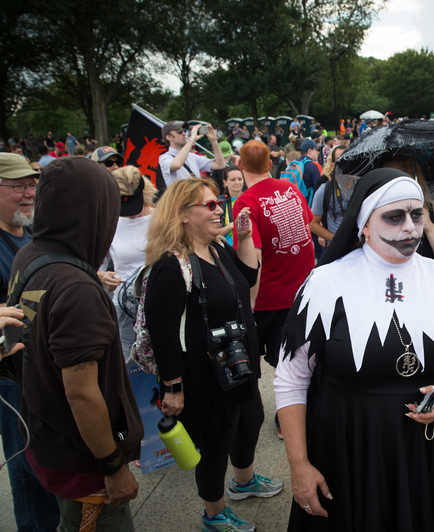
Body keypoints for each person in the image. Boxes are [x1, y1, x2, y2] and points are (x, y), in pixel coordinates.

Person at [274, 168, 434, 531]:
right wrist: (299, 465)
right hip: (348, 442)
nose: (410, 227)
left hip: (423, 447)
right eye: (394, 216)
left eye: (416, 214)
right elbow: (290, 378)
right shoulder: (326, 283)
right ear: (364, 225)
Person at [10, 157, 144, 531]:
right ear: (94, 212)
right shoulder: (75, 288)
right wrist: (114, 469)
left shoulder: (31, 254)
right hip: (84, 463)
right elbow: (82, 394)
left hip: (47, 437)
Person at [144, 177, 282, 532]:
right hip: (205, 374)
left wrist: (247, 237)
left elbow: (249, 276)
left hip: (238, 365)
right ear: (182, 214)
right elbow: (162, 336)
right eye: (209, 204)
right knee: (215, 445)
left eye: (217, 201)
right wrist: (173, 387)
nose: (218, 208)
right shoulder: (170, 267)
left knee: (249, 423)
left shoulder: (218, 248)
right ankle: (214, 514)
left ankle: (244, 481)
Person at [232, 141, 315, 440]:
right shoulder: (290, 188)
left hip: (271, 298)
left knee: (283, 362)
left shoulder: (244, 203)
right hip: (303, 289)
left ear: (240, 167)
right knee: (299, 354)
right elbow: (306, 230)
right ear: (270, 163)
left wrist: (249, 305)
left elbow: (254, 257)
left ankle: (289, 418)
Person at [0, 154, 61, 531]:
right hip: (12, 378)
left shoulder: (33, 231)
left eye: (32, 184)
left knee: (52, 465)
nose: (29, 193)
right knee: (28, 472)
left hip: (45, 367)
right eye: (18, 186)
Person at [97, 166, 157, 363]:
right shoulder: (106, 222)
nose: (131, 213)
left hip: (160, 301)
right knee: (129, 363)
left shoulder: (161, 218)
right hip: (124, 308)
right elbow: (95, 263)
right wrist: (102, 276)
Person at [159, 121, 225, 187]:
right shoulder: (164, 158)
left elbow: (220, 165)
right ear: (169, 137)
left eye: (184, 130)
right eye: (179, 131)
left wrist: (213, 141)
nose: (184, 133)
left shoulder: (192, 156)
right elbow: (176, 165)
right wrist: (191, 140)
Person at [310, 145, 349, 249]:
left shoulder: (362, 186)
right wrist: (334, 238)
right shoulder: (324, 189)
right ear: (333, 165)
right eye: (341, 160)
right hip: (336, 250)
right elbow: (313, 223)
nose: (346, 162)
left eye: (349, 158)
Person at [218, 166, 245, 246]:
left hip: (247, 247)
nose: (237, 182)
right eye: (233, 180)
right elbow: (212, 233)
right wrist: (230, 226)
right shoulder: (220, 202)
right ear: (225, 182)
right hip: (227, 249)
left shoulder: (250, 198)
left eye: (240, 179)